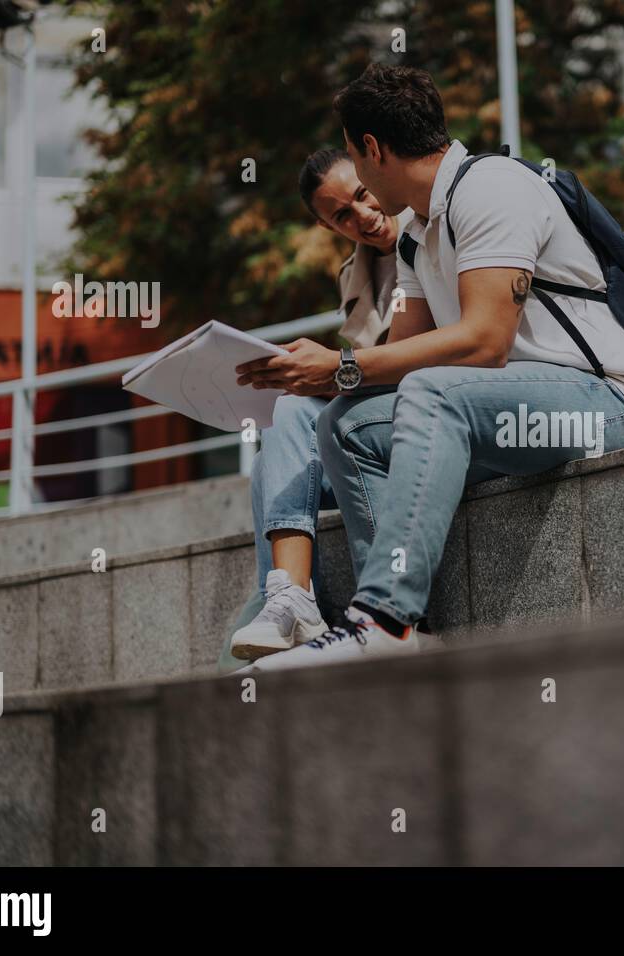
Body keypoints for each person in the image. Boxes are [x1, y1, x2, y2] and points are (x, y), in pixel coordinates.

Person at [238, 64, 624, 672]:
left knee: (432, 392)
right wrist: (319, 380)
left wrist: (339, 364)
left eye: (356, 163)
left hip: (608, 404)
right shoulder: (418, 231)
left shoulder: (490, 187)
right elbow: (391, 364)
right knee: (346, 422)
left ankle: (383, 620)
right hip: (510, 411)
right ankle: (385, 626)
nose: (359, 177)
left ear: (372, 148)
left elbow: (484, 343)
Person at [219, 149, 406, 669]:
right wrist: (315, 377)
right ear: (329, 226)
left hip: (430, 418)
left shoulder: (434, 230)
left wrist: (335, 371)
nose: (362, 216)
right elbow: (363, 373)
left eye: (363, 195)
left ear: (379, 179)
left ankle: (280, 602)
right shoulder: (355, 274)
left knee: (299, 414)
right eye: (341, 215)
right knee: (287, 417)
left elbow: (423, 360)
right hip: (374, 427)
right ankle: (290, 600)